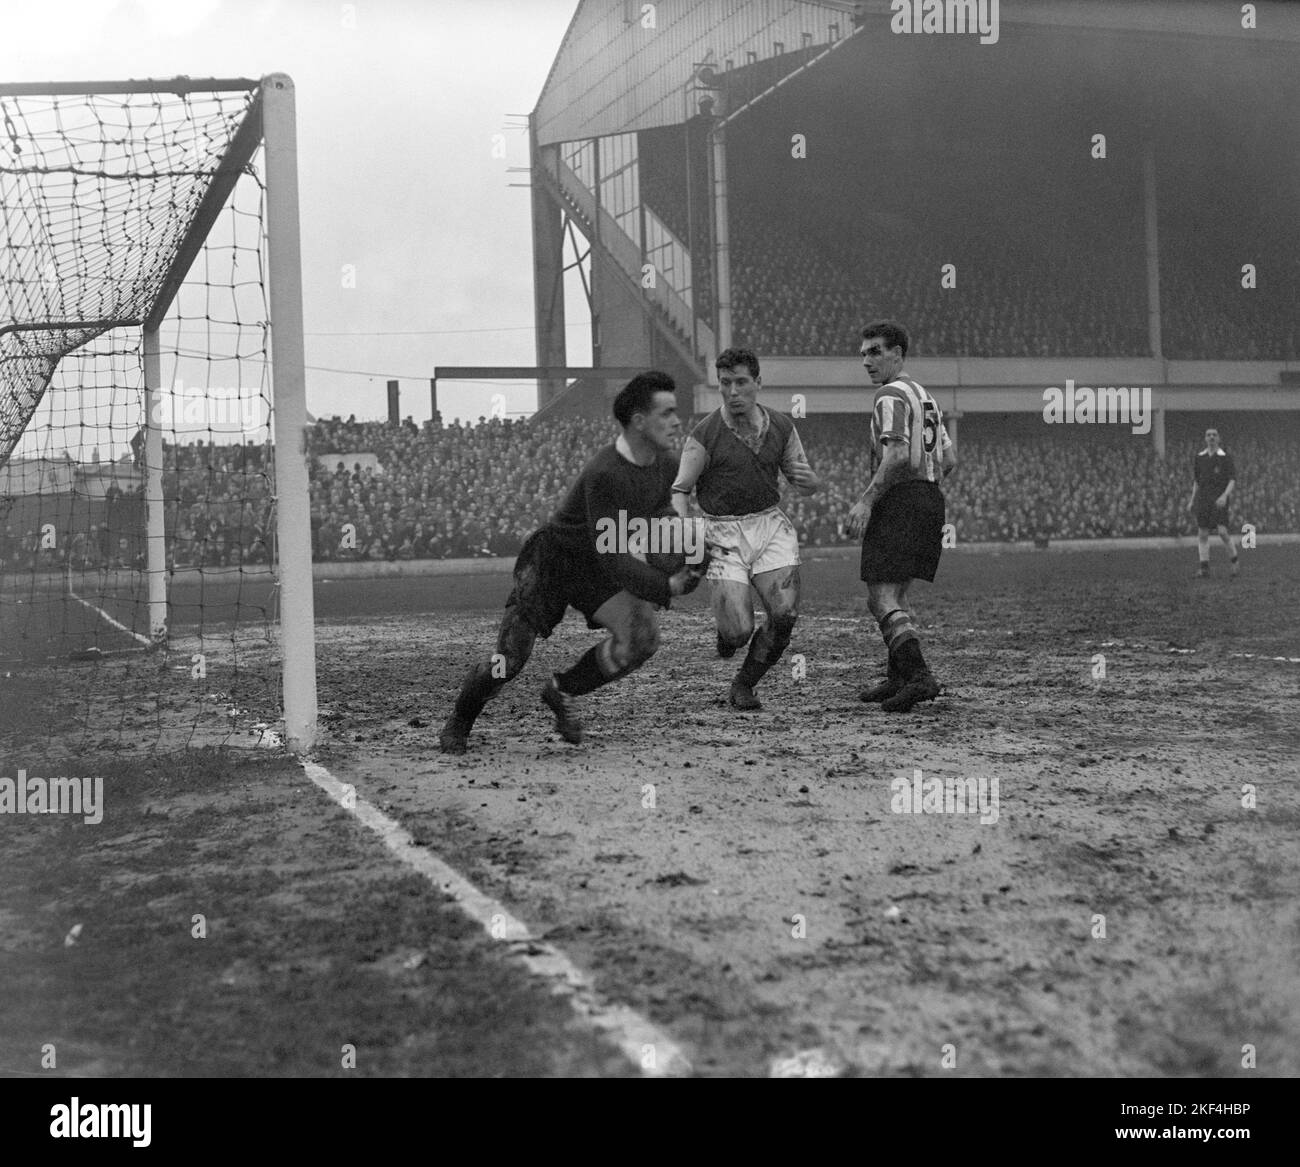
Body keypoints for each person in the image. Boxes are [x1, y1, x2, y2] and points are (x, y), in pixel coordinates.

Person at [439, 371, 709, 754]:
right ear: (638, 421)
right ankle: (461, 720)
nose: (677, 421)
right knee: (510, 660)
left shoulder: (666, 465)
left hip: (594, 568)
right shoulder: (606, 473)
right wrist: (664, 585)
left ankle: (561, 690)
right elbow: (612, 554)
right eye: (666, 413)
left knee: (642, 638)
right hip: (555, 562)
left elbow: (659, 511)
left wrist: (689, 545)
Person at [671, 347, 820, 710]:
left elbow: (804, 480)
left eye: (741, 382)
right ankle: (729, 635)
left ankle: (744, 684)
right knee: (738, 631)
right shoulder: (704, 434)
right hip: (722, 534)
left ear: (758, 383)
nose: (733, 391)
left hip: (769, 526)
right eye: (725, 383)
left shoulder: (783, 426)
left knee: (784, 616)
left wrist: (812, 481)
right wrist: (683, 525)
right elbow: (679, 490)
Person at [846, 320, 956, 712]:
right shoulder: (926, 397)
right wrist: (923, 486)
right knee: (899, 595)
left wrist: (867, 500)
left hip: (901, 501)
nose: (866, 361)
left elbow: (894, 455)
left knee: (881, 597)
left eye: (875, 351)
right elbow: (949, 459)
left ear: (898, 353)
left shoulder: (889, 395)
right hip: (930, 497)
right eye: (863, 353)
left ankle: (919, 676)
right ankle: (898, 678)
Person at [1188, 427, 1239, 578]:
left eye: (1214, 435)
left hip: (1219, 499)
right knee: (1202, 533)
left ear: (1218, 438)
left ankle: (1235, 562)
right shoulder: (1199, 457)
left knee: (1222, 532)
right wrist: (1192, 500)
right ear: (1205, 438)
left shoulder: (1225, 457)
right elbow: (1196, 481)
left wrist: (1224, 496)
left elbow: (1232, 480)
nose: (1211, 437)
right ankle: (1204, 569)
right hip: (1203, 499)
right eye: (1208, 435)